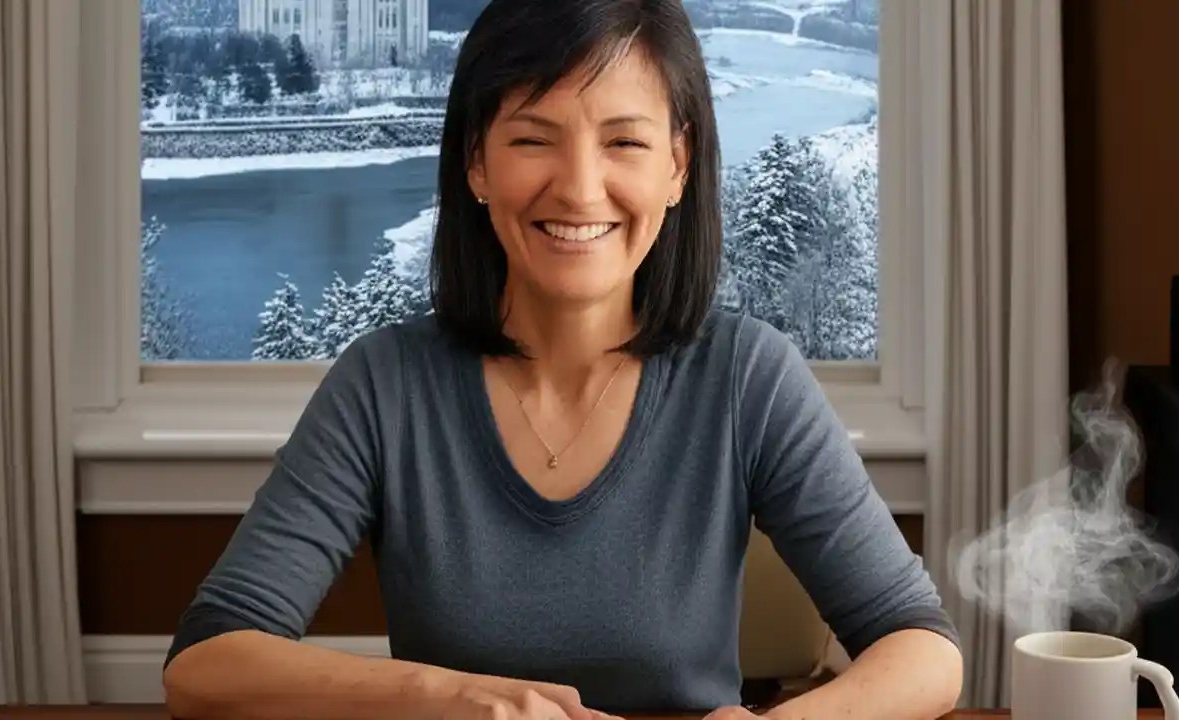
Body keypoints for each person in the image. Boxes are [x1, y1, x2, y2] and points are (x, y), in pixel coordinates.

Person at [161, 0, 964, 718]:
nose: (580, 190)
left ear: (677, 165)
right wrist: (446, 697)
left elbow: (924, 648)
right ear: (477, 162)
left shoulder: (748, 376)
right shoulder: (384, 385)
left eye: (625, 142)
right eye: (532, 139)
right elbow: (205, 664)